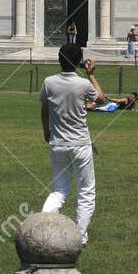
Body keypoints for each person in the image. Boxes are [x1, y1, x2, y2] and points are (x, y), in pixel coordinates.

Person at [39, 45, 103, 246]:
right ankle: (81, 236)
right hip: (80, 143)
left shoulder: (49, 82)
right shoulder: (83, 84)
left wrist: (46, 131)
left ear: (59, 60)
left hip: (58, 142)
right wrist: (91, 74)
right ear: (79, 62)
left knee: (59, 190)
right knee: (86, 191)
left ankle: (42, 225)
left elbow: (44, 110)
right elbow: (100, 99)